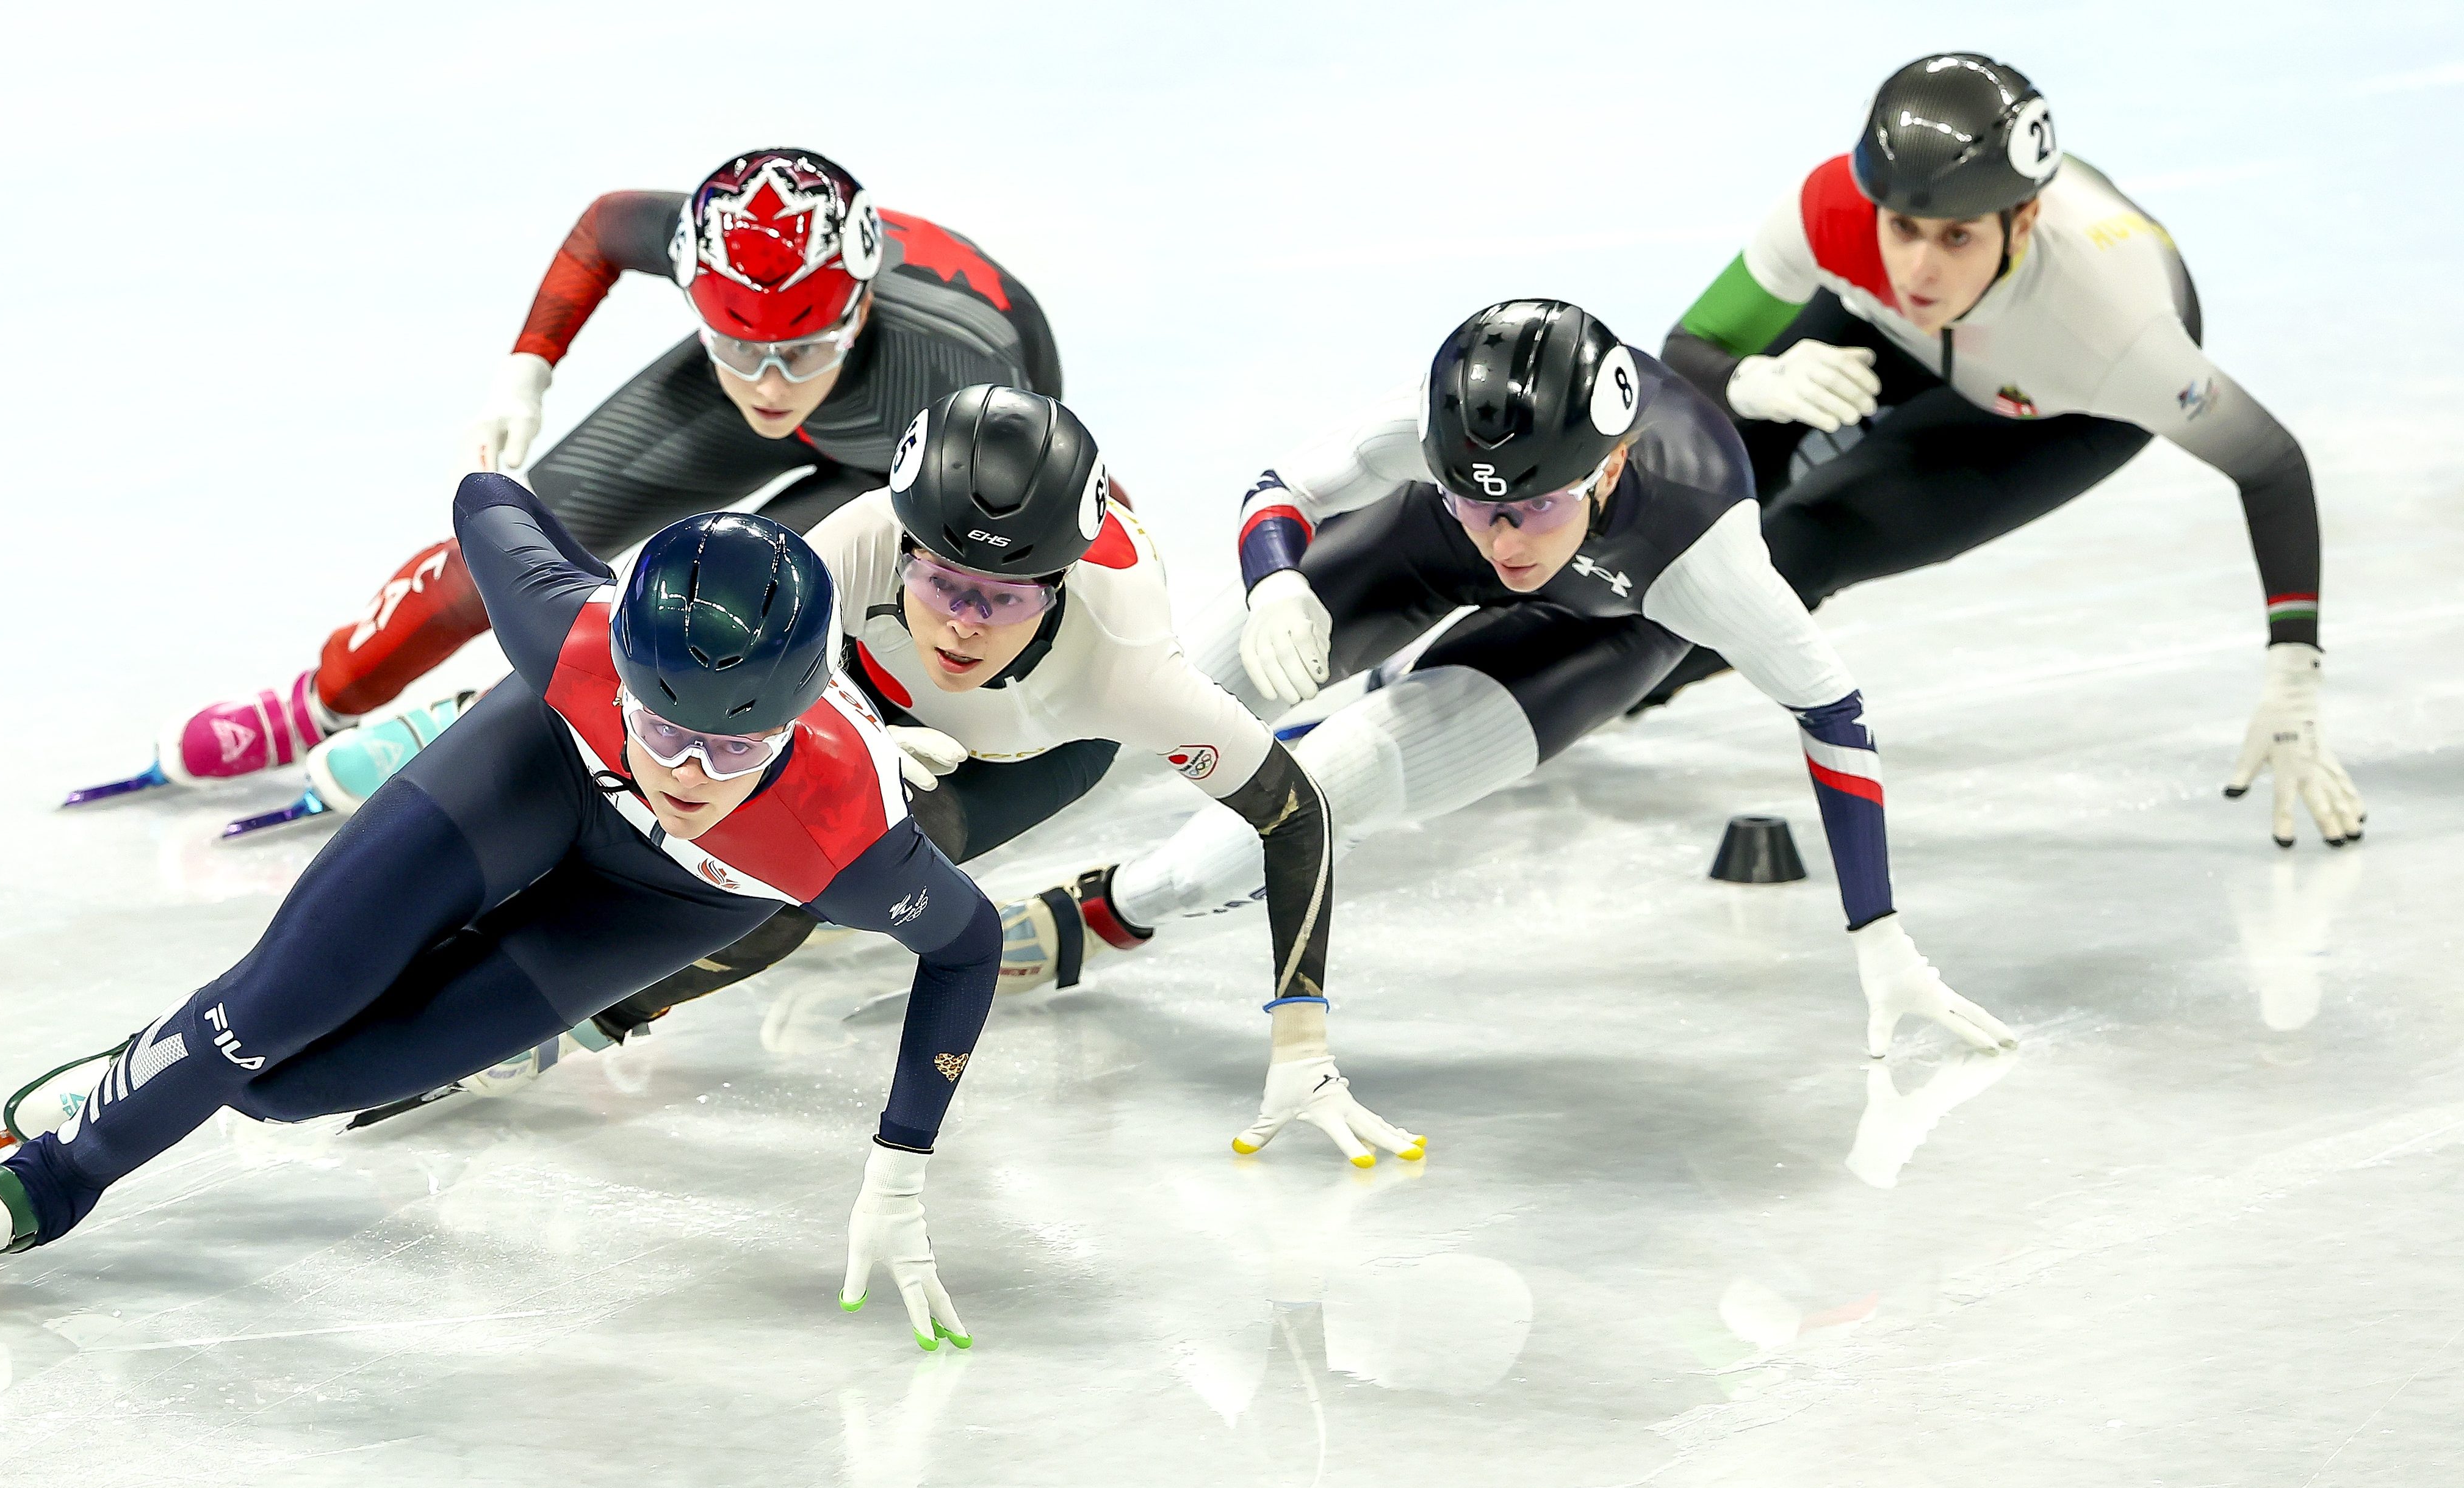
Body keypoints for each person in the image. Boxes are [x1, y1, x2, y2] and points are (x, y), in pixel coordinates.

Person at [0, 476, 998, 1351]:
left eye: (732, 744)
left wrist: (900, 1162)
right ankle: (60, 1175)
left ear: (795, 725)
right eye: (664, 722)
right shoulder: (574, 640)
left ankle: (156, 1060)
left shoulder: (847, 841)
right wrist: (601, 588)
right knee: (278, 1003)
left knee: (290, 1088)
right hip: (545, 762)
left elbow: (969, 944)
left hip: (669, 898)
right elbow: (488, 500)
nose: (686, 772)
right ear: (624, 675)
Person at [347, 388, 1419, 1168]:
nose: (961, 619)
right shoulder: (857, 541)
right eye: (944, 579)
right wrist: (844, 715)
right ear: (904, 545)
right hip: (854, 682)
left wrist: (1303, 1033)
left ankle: (578, 1026)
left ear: (1059, 589)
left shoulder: (1132, 674)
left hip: (1029, 750)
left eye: (1003, 600)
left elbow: (1294, 813)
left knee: (796, 880)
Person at [1000, 298, 2014, 1063]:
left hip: (1601, 629)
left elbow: (1829, 711)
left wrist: (1879, 933)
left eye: (1531, 509)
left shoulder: (1706, 546)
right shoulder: (1434, 442)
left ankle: (1108, 910)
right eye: (1475, 501)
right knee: (1153, 687)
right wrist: (1276, 588)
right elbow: (1286, 487)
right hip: (1410, 554)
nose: (1500, 536)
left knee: (1326, 786)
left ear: (1608, 472)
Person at [68, 147, 1061, 814]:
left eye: (800, 353)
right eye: (733, 346)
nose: (767, 386)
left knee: (734, 626)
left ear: (858, 312)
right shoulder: (733, 243)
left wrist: (867, 710)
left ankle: (499, 720)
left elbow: (1006, 572)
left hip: (913, 457)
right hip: (860, 402)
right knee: (501, 547)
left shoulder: (965, 374)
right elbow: (600, 226)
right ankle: (314, 700)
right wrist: (527, 365)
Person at [1646, 52, 2360, 848]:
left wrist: (2295, 674)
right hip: (1899, 328)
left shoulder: (2123, 340)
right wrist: (1750, 380)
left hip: (2054, 400)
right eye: (1904, 228)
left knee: (1805, 541)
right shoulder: (1836, 212)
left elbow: (2270, 465)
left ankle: (1607, 686)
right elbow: (1690, 350)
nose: (1919, 267)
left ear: (2023, 223)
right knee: (1702, 466)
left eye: (1955, 235)